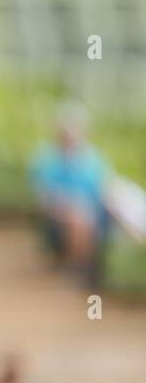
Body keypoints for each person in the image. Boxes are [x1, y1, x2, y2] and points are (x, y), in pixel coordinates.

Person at [29, 101, 112, 285]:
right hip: (63, 210)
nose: (71, 137)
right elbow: (45, 194)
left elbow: (105, 186)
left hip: (94, 208)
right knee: (79, 217)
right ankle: (81, 267)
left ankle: (88, 266)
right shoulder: (47, 158)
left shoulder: (93, 158)